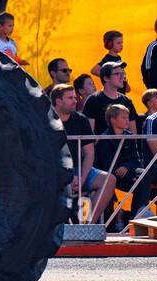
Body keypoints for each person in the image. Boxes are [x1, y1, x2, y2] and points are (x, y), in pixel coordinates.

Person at [51, 84, 115, 223]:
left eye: (75, 97)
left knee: (109, 180)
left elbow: (89, 152)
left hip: (78, 169)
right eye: (70, 98)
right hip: (53, 170)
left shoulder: (81, 119)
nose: (75, 100)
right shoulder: (45, 120)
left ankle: (88, 225)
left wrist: (81, 179)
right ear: (58, 101)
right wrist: (66, 176)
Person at [95, 103, 147, 228]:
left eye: (127, 117)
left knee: (145, 174)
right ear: (113, 119)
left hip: (128, 174)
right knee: (107, 185)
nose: (127, 121)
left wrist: (126, 167)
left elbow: (136, 159)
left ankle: (136, 217)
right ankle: (109, 226)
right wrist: (117, 169)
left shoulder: (129, 136)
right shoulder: (104, 138)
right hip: (109, 175)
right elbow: (103, 162)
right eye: (123, 117)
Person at [82, 61, 138, 133]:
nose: (122, 77)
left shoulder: (127, 100)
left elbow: (133, 134)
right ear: (106, 78)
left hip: (124, 144)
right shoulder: (93, 100)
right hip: (102, 144)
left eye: (122, 73)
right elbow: (89, 135)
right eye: (117, 74)